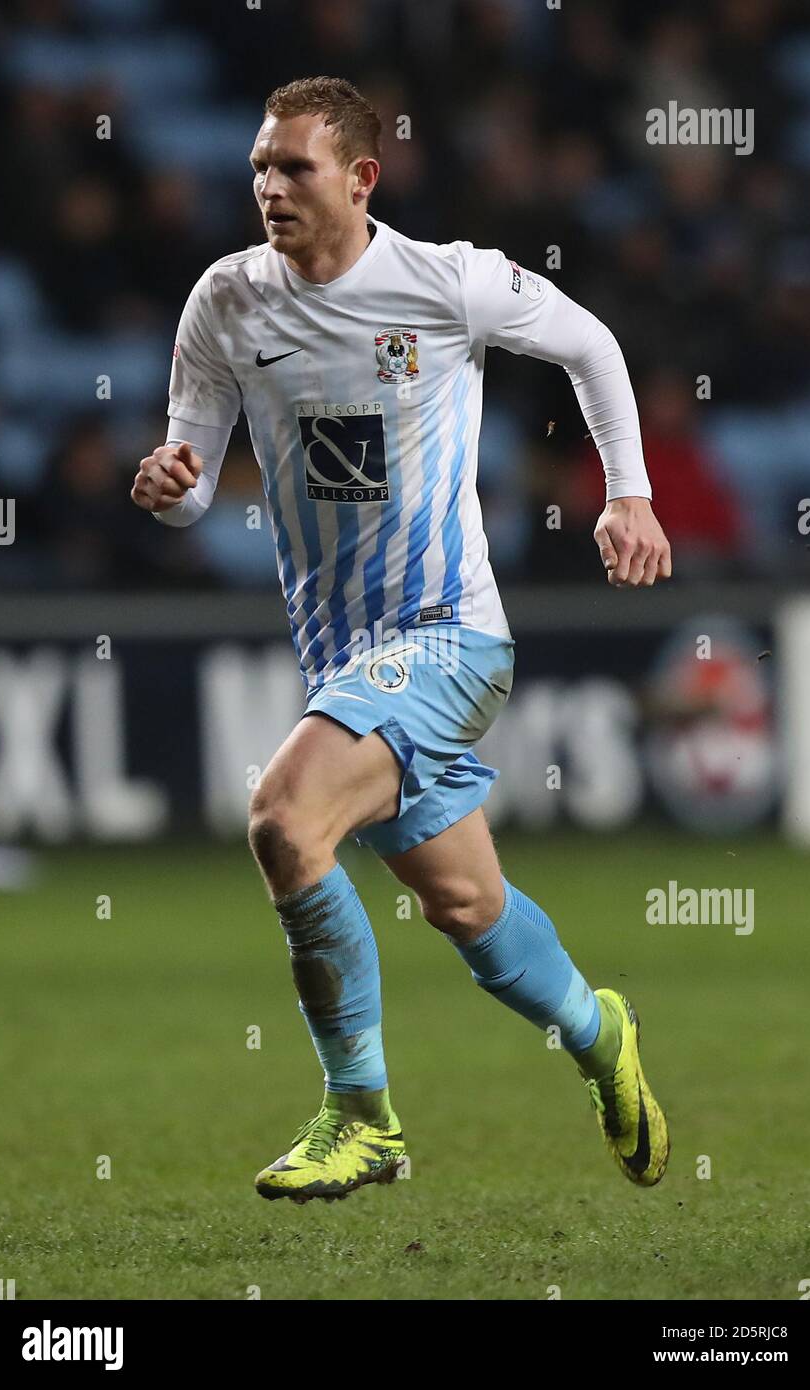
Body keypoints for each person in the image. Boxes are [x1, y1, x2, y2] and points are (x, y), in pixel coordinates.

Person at [131, 77, 672, 1203]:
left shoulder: (446, 281)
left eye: (295, 168)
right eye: (258, 167)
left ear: (361, 178)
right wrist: (170, 484)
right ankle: (597, 1027)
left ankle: (359, 1114)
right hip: (343, 655)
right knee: (467, 907)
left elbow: (591, 345)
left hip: (451, 635)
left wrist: (626, 493)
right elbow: (187, 476)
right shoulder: (226, 301)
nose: (268, 187)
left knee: (284, 818)